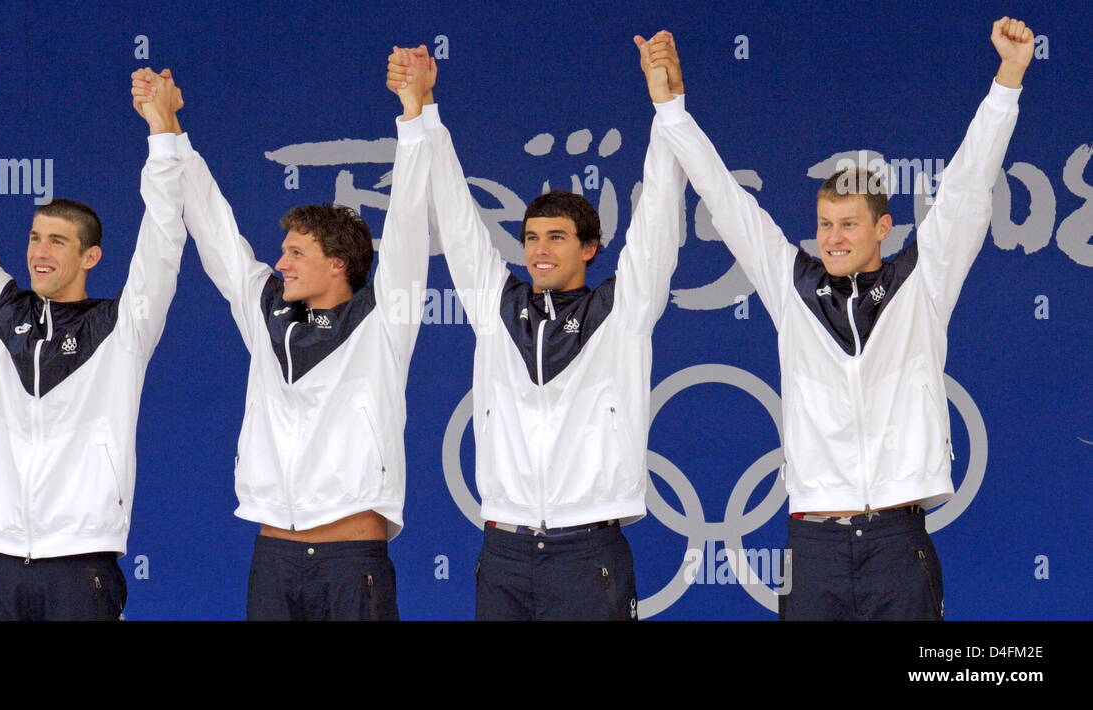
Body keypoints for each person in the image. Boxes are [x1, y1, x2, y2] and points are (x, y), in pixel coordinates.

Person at [644, 19, 1034, 620]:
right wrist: (670, 108)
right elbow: (724, 198)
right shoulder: (790, 283)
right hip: (813, 542)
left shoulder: (922, 281)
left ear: (883, 227)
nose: (833, 237)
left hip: (897, 542)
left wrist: (1008, 79)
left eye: (849, 224)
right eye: (825, 224)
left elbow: (967, 185)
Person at [387, 34, 685, 620]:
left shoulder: (620, 312)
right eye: (529, 238)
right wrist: (420, 112)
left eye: (556, 237)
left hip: (588, 551)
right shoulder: (497, 308)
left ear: (591, 248)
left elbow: (657, 226)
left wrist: (666, 106)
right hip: (504, 548)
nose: (539, 250)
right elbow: (454, 211)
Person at [132, 48, 431, 620]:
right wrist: (167, 130)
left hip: (351, 556)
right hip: (272, 554)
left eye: (296, 252)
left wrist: (413, 114)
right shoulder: (264, 308)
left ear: (338, 264)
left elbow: (411, 219)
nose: (282, 262)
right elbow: (214, 228)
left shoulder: (383, 318)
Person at [0, 54, 190, 620]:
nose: (40, 252)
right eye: (36, 237)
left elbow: (164, 238)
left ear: (90, 255)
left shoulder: (122, 326)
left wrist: (161, 134)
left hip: (80, 561)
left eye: (58, 242)